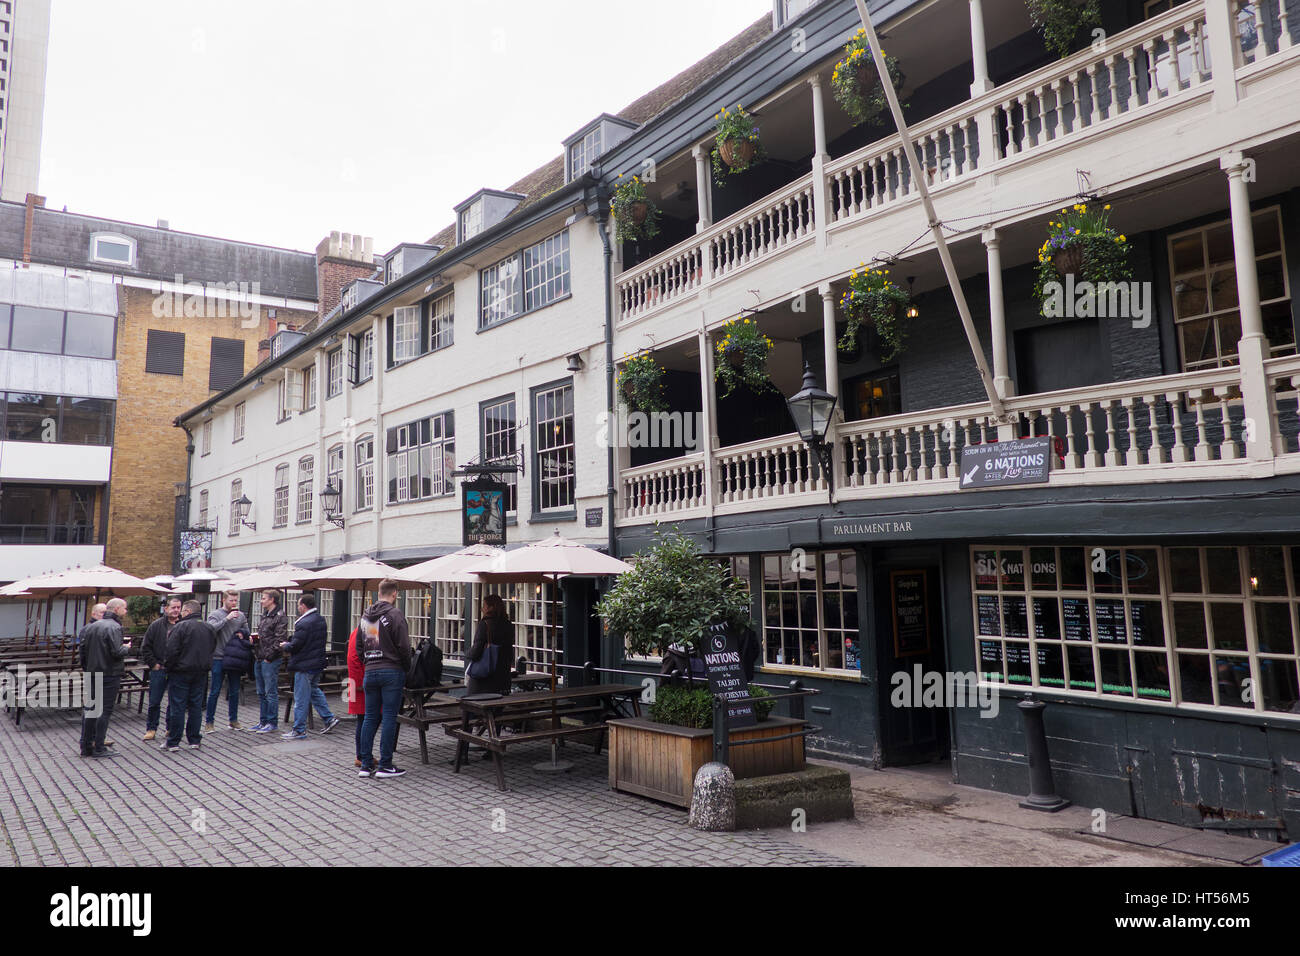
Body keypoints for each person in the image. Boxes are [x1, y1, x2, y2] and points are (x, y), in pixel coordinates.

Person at [357, 579, 411, 778]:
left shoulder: (367, 616)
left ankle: (365, 764)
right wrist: (406, 667)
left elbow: (360, 647)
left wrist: (369, 663)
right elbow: (404, 647)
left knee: (370, 717)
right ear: (395, 593)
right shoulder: (395, 614)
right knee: (389, 716)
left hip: (370, 671)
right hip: (391, 670)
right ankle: (385, 764)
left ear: (378, 592)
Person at [77, 597, 130, 758]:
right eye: (124, 608)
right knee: (104, 712)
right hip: (109, 673)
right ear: (116, 609)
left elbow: (82, 651)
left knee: (91, 709)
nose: (126, 612)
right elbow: (116, 652)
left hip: (93, 673)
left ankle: (86, 746)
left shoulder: (91, 627)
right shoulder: (114, 627)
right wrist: (127, 648)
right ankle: (99, 746)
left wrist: (88, 669)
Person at [281, 593, 338, 740]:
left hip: (304, 665)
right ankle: (329, 718)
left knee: (301, 698)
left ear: (303, 606)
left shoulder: (303, 623)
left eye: (299, 605)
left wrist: (286, 645)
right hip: (317, 663)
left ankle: (299, 729)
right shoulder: (320, 619)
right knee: (314, 690)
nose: (298, 608)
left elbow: (297, 645)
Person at [163, 600, 216, 752]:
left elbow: (171, 650)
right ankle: (194, 739)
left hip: (180, 672)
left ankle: (173, 741)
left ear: (186, 611)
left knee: (177, 707)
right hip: (201, 672)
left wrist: (168, 667)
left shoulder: (180, 627)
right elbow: (213, 648)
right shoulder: (209, 628)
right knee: (196, 706)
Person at [204, 590, 247, 734]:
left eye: (236, 601)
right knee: (215, 690)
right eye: (231, 600)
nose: (234, 603)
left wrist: (244, 634)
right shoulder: (215, 614)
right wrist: (227, 619)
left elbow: (246, 631)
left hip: (234, 658)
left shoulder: (240, 616)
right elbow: (210, 629)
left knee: (234, 690)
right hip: (218, 657)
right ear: (224, 600)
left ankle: (233, 720)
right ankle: (209, 722)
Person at [140, 597, 182, 741]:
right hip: (159, 669)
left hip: (176, 670)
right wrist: (153, 664)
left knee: (174, 701)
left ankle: (170, 728)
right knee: (154, 701)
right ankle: (151, 728)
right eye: (173, 607)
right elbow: (146, 647)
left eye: (178, 607)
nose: (176, 610)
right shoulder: (156, 626)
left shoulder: (183, 625)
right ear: (166, 609)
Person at [250, 589, 288, 734]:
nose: (261, 601)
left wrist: (269, 657)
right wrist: (255, 640)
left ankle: (272, 722)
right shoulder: (265, 615)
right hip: (259, 657)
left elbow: (280, 639)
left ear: (272, 600)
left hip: (269, 660)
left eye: (264, 598)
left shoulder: (280, 616)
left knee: (270, 692)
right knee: (261, 692)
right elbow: (265, 635)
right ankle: (263, 720)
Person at [466, 593, 514, 696]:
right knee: (497, 709)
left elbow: (476, 651)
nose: (482, 609)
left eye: (484, 606)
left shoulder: (485, 624)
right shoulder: (508, 624)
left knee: (470, 706)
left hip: (485, 677)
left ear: (491, 608)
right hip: (503, 676)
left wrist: (467, 654)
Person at [220, 625, 254, 728]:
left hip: (227, 662)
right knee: (223, 691)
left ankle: (232, 720)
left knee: (230, 691)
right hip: (227, 662)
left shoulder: (235, 638)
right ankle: (231, 720)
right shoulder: (246, 645)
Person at [346, 625, 366, 768]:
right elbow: (353, 659)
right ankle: (362, 755)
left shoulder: (360, 631)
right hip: (361, 684)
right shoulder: (363, 632)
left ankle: (364, 754)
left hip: (360, 682)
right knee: (364, 719)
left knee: (364, 719)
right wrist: (359, 683)